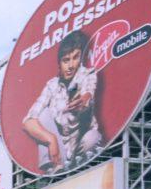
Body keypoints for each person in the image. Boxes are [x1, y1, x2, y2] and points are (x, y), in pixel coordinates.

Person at [20, 29, 103, 174]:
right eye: (66, 60)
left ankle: (84, 168)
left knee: (93, 137)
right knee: (42, 115)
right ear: (60, 63)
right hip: (58, 152)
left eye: (75, 58)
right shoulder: (52, 85)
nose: (70, 65)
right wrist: (50, 139)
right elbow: (28, 121)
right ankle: (53, 169)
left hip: (81, 146)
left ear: (81, 58)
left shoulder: (87, 74)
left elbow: (89, 90)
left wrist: (85, 99)